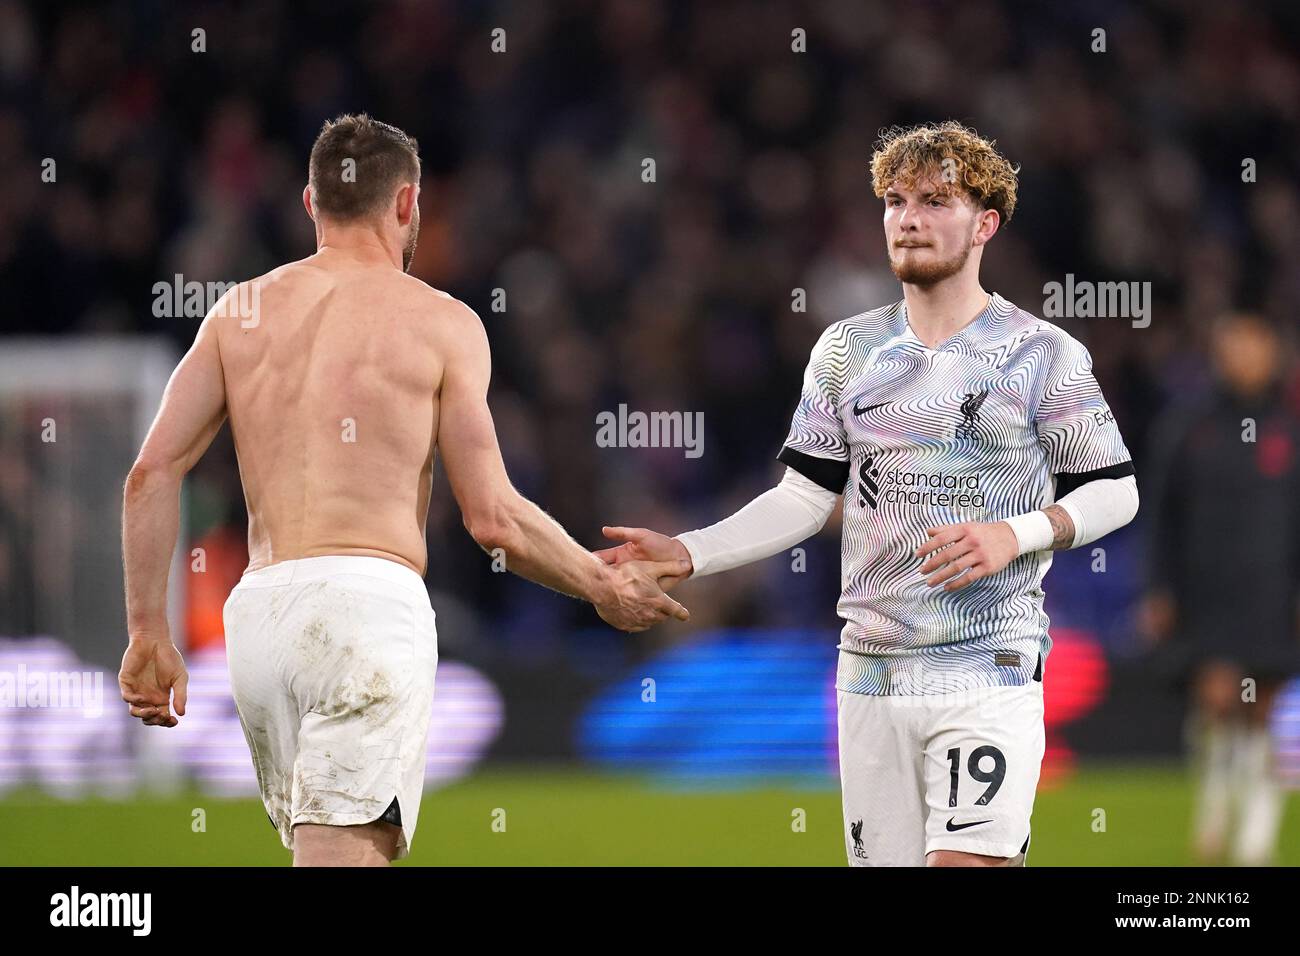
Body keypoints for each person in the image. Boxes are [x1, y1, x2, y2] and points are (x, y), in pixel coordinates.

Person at [119, 114, 689, 866]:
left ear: (310, 204)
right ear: (407, 204)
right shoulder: (441, 323)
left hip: (257, 623)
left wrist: (147, 633)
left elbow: (150, 473)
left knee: (332, 847)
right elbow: (493, 519)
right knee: (345, 854)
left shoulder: (238, 315)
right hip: (365, 609)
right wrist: (599, 584)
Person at [597, 122, 1139, 867]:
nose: (909, 218)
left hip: (989, 665)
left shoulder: (1042, 353)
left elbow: (1116, 490)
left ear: (985, 224)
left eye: (935, 200)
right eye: (895, 200)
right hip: (870, 673)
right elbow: (805, 497)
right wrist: (690, 551)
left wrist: (1016, 533)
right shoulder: (846, 350)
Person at [1140, 311, 1300, 865]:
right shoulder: (1189, 428)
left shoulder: (1289, 431)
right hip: (1206, 596)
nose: (1243, 356)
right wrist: (1159, 589)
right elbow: (1161, 516)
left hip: (1273, 597)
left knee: (1262, 712)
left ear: (1272, 353)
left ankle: (1255, 837)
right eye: (1233, 345)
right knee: (1216, 703)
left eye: (1254, 345)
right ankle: (1212, 821)